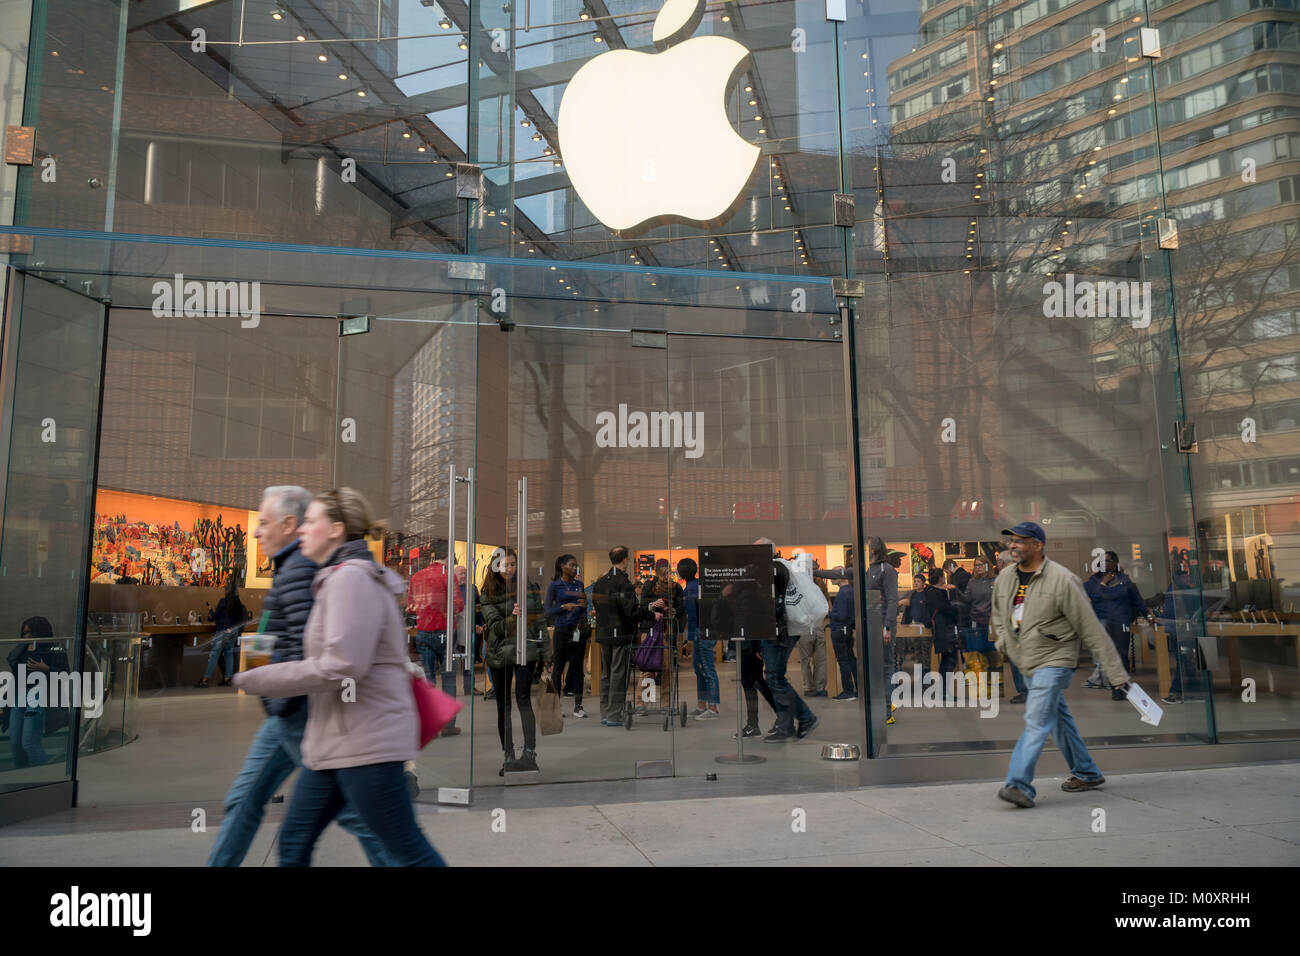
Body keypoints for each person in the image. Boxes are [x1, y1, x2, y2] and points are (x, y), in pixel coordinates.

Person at [233, 487, 444, 865]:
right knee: (294, 843)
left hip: (366, 745)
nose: (302, 529)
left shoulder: (351, 580)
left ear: (335, 530)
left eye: (310, 521)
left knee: (408, 852)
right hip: (336, 745)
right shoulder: (339, 578)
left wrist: (264, 678)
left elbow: (343, 665)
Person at [208, 486, 389, 867]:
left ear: (289, 524)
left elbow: (319, 651)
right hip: (287, 712)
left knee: (350, 814)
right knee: (248, 800)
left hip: (298, 713)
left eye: (263, 523)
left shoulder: (301, 570)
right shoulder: (291, 569)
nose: (257, 532)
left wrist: (271, 687)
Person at [991, 522, 1130, 809]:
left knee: (1037, 719)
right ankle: (1087, 771)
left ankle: (1019, 785)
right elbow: (998, 614)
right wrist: (1003, 640)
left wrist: (1115, 673)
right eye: (1012, 541)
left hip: (1054, 659)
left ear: (1038, 545)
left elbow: (1091, 628)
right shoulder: (1005, 578)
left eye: (1020, 541)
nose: (1013, 545)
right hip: (1025, 659)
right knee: (1057, 720)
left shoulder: (1063, 580)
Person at [481, 548, 550, 772]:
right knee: (504, 705)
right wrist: (513, 618)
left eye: (512, 564)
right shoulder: (488, 592)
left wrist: (547, 654)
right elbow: (496, 628)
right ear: (495, 566)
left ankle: (530, 753)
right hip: (500, 653)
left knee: (523, 700)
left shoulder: (528, 588)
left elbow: (539, 622)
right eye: (504, 564)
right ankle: (508, 755)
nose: (509, 569)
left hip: (525, 650)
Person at [756, 539, 818, 743]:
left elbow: (773, 603)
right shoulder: (778, 568)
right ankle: (786, 724)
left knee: (775, 677)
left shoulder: (775, 569)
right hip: (778, 631)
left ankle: (805, 717)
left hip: (780, 632)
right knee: (774, 676)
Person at [407, 544, 465, 734]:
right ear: (447, 558)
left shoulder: (416, 577)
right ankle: (448, 725)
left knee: (428, 678)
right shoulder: (449, 577)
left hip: (423, 632)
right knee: (448, 677)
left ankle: (430, 723)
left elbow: (411, 606)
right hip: (445, 632)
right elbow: (458, 606)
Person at [1083, 551, 1154, 700]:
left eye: (1108, 560)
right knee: (1109, 656)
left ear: (1115, 563)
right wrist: (1104, 582)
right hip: (1103, 622)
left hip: (1121, 621)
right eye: (1102, 560)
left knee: (1122, 655)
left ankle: (1121, 688)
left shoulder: (1124, 580)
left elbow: (1137, 600)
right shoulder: (1094, 581)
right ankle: (1114, 685)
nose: (1104, 563)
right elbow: (1094, 597)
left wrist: (1148, 616)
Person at [592, 546, 647, 727]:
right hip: (621, 633)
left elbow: (597, 606)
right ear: (625, 560)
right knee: (618, 673)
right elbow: (630, 611)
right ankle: (615, 714)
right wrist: (649, 612)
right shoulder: (623, 583)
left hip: (603, 633)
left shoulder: (600, 582)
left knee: (606, 673)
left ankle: (606, 712)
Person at [6, 616, 68, 768]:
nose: (27, 636)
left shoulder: (52, 648)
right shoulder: (21, 648)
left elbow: (65, 674)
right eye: (25, 633)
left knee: (29, 742)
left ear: (40, 632)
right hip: (20, 695)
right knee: (15, 743)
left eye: (31, 633)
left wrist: (45, 669)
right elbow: (15, 676)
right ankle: (21, 776)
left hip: (39, 694)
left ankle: (39, 775)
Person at [635, 558, 685, 714]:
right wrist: (653, 606)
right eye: (662, 573)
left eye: (667, 572)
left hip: (667, 632)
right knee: (647, 667)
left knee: (667, 669)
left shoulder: (676, 587)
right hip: (649, 631)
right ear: (657, 572)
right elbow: (642, 606)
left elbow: (681, 610)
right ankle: (642, 704)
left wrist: (671, 610)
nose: (665, 576)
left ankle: (665, 704)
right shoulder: (649, 585)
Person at [545, 553, 588, 718]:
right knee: (558, 668)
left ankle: (578, 705)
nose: (574, 568)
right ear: (562, 566)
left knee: (578, 668)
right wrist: (563, 607)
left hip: (578, 630)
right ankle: (556, 705)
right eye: (571, 565)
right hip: (562, 630)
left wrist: (584, 605)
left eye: (575, 565)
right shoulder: (554, 586)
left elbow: (583, 606)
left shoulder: (580, 584)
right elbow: (548, 610)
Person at [678, 558, 719, 720]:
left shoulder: (688, 590)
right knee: (700, 669)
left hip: (700, 633)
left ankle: (713, 707)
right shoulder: (701, 585)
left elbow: (693, 617)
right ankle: (702, 705)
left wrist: (690, 640)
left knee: (706, 669)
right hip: (710, 631)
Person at [196, 576, 248, 687]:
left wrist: (210, 610)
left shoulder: (223, 602)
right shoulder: (238, 604)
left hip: (222, 632)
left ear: (226, 591)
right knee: (229, 655)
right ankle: (228, 678)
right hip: (233, 632)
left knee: (214, 655)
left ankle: (205, 679)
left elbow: (215, 616)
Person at [923, 568, 961, 698]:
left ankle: (943, 691)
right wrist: (955, 604)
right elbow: (947, 609)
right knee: (949, 659)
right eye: (942, 576)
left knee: (946, 659)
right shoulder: (936, 593)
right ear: (940, 578)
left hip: (941, 628)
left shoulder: (930, 592)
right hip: (943, 628)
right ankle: (944, 691)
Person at [797, 559, 829, 698]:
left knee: (821, 658)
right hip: (805, 625)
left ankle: (820, 687)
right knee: (806, 659)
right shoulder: (798, 585)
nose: (814, 573)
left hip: (818, 624)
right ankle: (809, 687)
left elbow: (828, 603)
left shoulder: (820, 584)